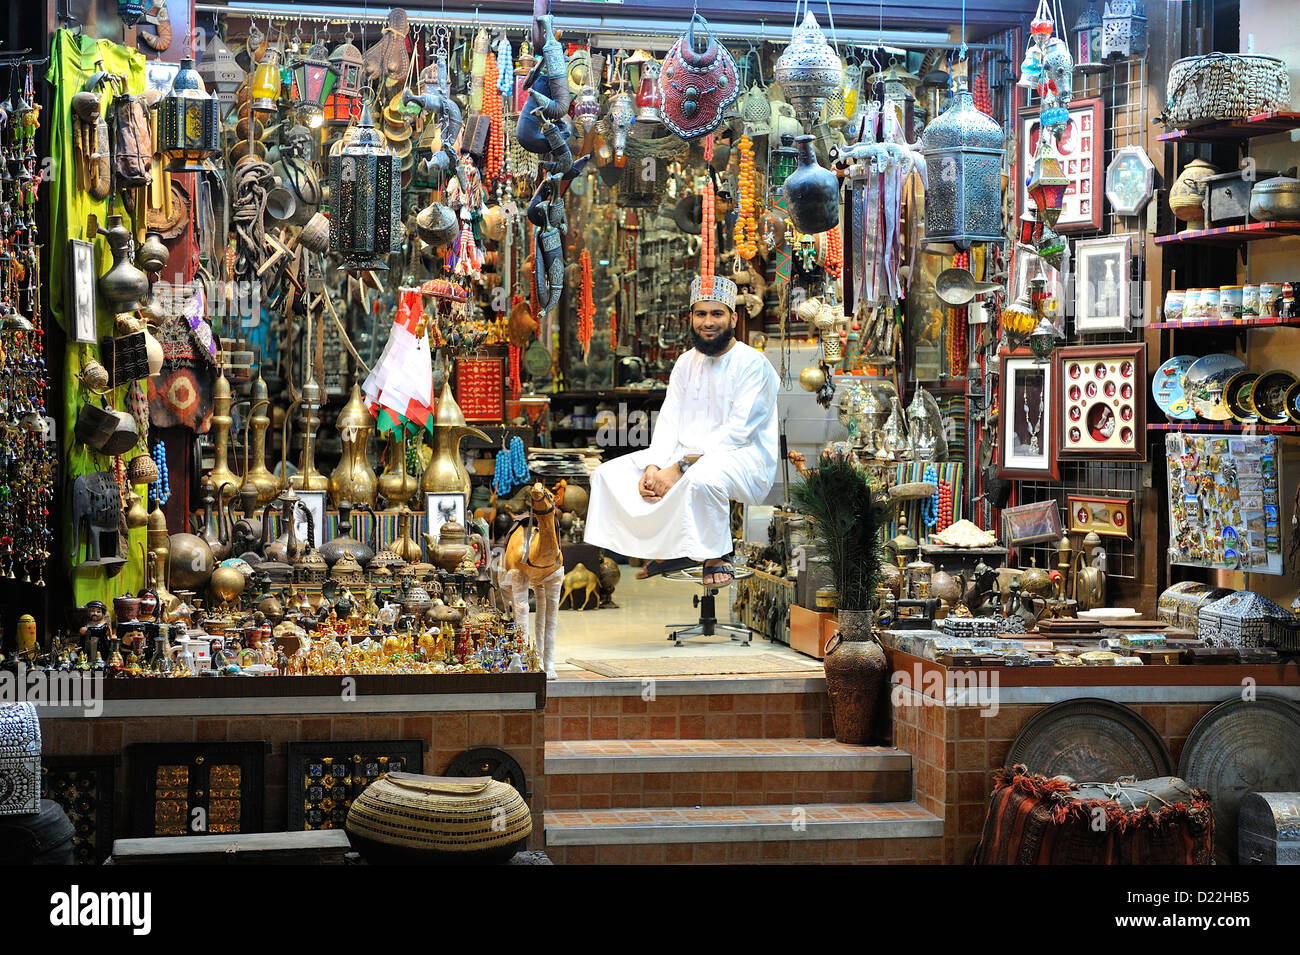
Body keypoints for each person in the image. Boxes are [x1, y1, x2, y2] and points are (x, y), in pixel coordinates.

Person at [583, 274, 779, 587]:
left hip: (742, 458)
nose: (708, 322)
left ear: (734, 318)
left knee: (701, 479)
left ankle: (717, 554)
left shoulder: (754, 365)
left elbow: (737, 434)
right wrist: (653, 467)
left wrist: (678, 469)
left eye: (717, 314)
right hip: (681, 456)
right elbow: (669, 421)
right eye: (701, 314)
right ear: (691, 318)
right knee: (607, 475)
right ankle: (668, 547)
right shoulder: (687, 362)